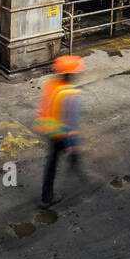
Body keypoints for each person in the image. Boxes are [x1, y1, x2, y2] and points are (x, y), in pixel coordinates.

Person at [35, 55, 84, 208]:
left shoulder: (50, 85)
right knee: (68, 159)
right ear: (70, 74)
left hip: (50, 132)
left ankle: (46, 197)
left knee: (51, 164)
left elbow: (44, 109)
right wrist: (72, 145)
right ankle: (79, 175)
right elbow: (71, 121)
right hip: (63, 136)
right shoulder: (71, 93)